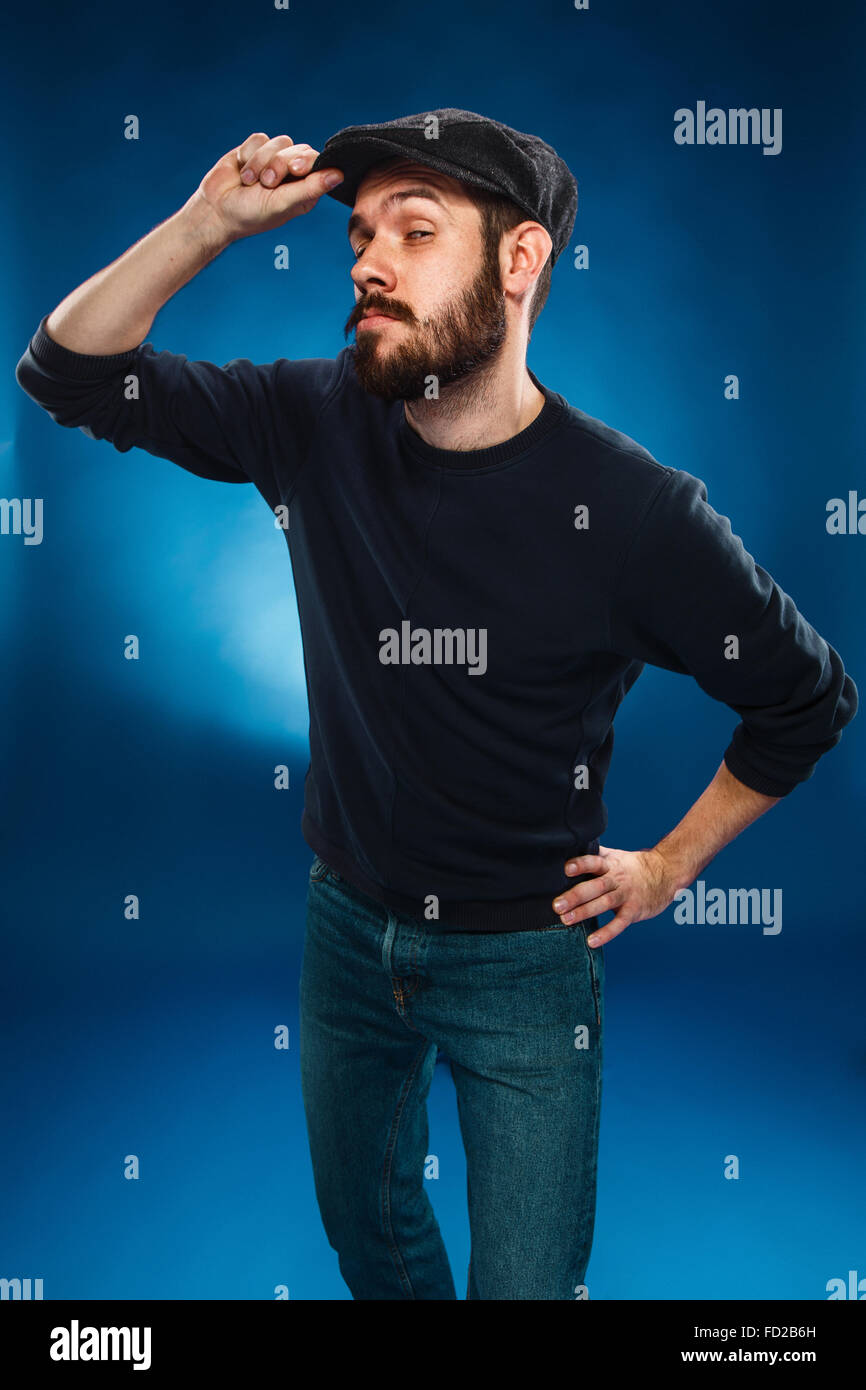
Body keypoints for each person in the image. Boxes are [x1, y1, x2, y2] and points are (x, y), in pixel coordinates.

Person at [15, 108, 858, 1301]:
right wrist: (207, 224)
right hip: (345, 934)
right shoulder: (314, 421)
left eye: (414, 232)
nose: (368, 261)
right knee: (370, 1243)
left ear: (520, 261)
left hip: (522, 964)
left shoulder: (636, 515)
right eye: (359, 235)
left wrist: (667, 866)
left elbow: (805, 700)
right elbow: (65, 371)